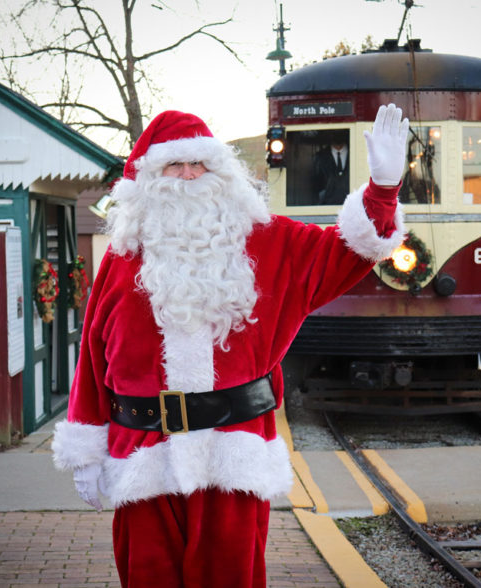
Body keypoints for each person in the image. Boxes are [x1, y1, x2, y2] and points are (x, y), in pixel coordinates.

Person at [51, 104, 409, 588]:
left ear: (221, 172)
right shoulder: (121, 258)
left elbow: (347, 252)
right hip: (142, 452)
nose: (189, 175)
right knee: (147, 578)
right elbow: (93, 361)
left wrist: (382, 190)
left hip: (232, 454)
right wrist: (87, 450)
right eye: (174, 165)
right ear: (148, 178)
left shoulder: (269, 242)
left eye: (200, 163)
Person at [312, 134, 349, 204]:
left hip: (354, 209)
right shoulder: (319, 158)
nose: (337, 132)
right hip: (325, 208)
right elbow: (315, 188)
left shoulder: (358, 153)